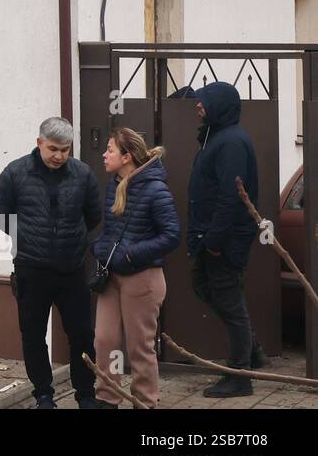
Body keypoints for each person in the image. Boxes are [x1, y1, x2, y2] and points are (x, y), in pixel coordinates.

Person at [0, 116, 105, 409]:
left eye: (65, 150)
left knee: (82, 335)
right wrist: (29, 240)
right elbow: (0, 215)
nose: (58, 156)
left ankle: (86, 394)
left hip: (72, 270)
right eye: (53, 148)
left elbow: (93, 216)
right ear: (39, 143)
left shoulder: (82, 174)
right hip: (31, 270)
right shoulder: (14, 173)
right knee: (32, 334)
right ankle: (43, 394)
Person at [93, 127, 181, 408]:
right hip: (111, 276)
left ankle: (145, 402)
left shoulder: (156, 190)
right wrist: (100, 249)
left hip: (143, 278)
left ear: (127, 156)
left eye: (110, 150)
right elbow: (111, 229)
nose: (104, 155)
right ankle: (107, 399)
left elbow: (171, 235)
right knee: (105, 340)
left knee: (139, 348)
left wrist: (132, 255)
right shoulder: (114, 183)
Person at [188, 81, 265, 398]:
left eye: (203, 102)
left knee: (230, 305)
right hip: (210, 237)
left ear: (218, 104)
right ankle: (252, 350)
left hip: (222, 240)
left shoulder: (231, 142)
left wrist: (215, 241)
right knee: (205, 288)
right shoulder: (215, 136)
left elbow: (230, 196)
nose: (198, 106)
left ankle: (239, 376)